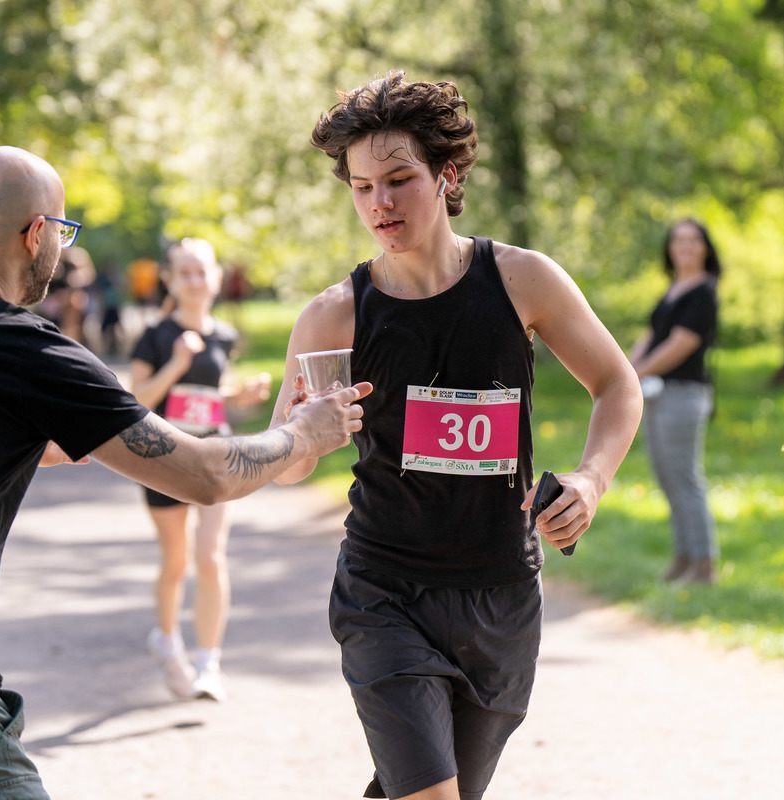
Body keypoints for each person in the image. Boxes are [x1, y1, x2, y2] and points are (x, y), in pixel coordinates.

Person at [0, 145, 369, 800]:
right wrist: (301, 434)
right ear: (35, 233)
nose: (60, 247)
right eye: (62, 229)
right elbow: (204, 476)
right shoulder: (17, 344)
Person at [270, 72, 642, 800]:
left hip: (501, 595)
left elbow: (617, 386)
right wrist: (305, 438)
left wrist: (593, 479)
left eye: (398, 179)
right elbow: (282, 465)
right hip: (384, 591)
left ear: (447, 174)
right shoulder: (334, 316)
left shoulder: (522, 281)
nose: (378, 202)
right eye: (361, 186)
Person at [129, 237, 272, 702]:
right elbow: (135, 404)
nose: (194, 280)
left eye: (201, 271)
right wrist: (175, 363)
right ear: (170, 280)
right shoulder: (155, 336)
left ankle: (209, 663)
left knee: (211, 557)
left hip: (215, 460)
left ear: (214, 278)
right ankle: (167, 641)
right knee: (176, 560)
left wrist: (241, 396)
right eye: (184, 272)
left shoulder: (224, 336)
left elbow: (212, 396)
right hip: (164, 461)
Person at [629, 218, 720, 585]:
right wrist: (625, 370)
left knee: (684, 478)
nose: (685, 246)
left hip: (685, 395)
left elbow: (681, 344)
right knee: (667, 477)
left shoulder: (703, 293)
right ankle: (684, 556)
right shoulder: (673, 290)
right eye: (678, 240)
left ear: (705, 248)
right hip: (659, 394)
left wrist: (638, 374)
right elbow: (653, 336)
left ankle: (704, 564)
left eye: (693, 240)